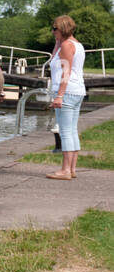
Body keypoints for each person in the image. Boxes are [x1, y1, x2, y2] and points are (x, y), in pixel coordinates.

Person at [46, 14, 85, 181]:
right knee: (72, 130)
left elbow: (65, 72)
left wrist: (59, 96)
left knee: (65, 132)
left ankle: (65, 170)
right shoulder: (74, 44)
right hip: (77, 91)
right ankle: (72, 169)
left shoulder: (67, 46)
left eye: (55, 29)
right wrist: (57, 41)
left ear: (62, 29)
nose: (52, 32)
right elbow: (54, 58)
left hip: (67, 92)